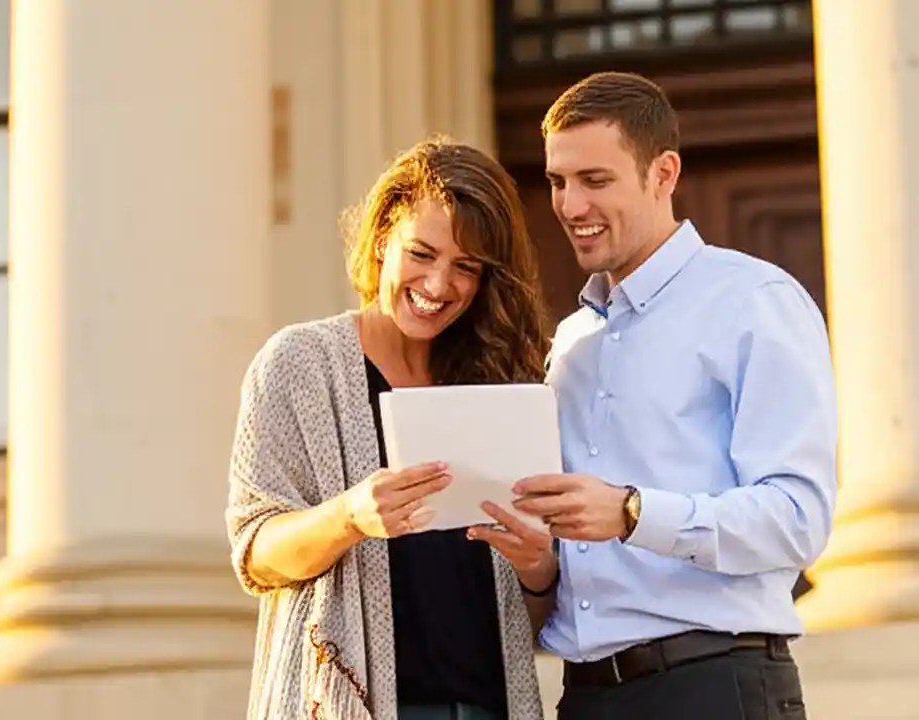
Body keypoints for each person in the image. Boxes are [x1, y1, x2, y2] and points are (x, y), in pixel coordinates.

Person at [509, 72, 837, 719]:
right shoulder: (570, 346)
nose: (570, 206)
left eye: (595, 180)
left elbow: (798, 519)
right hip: (584, 695)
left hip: (715, 688)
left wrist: (633, 512)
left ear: (663, 174)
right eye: (557, 182)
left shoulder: (752, 303)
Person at [226, 138, 558, 720]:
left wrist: (538, 570)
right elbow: (256, 554)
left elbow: (523, 612)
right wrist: (349, 517)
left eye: (465, 268)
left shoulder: (502, 384)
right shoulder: (299, 364)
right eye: (422, 253)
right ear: (383, 238)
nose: (438, 285)